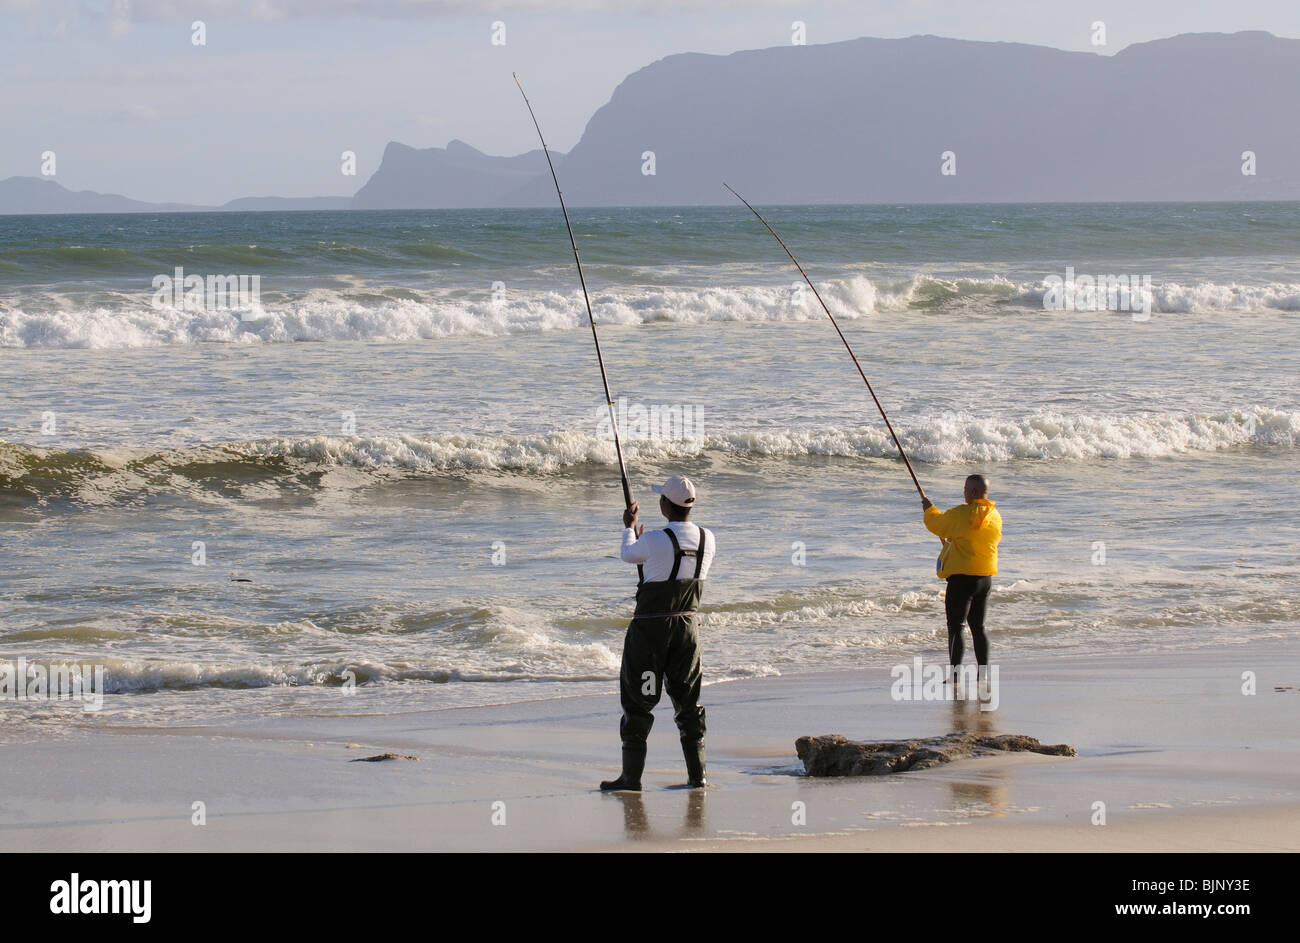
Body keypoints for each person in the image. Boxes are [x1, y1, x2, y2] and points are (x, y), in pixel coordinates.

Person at [600, 474, 715, 792]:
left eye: (661, 498)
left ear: (666, 504)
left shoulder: (653, 539)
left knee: (640, 699)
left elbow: (628, 554)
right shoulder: (708, 540)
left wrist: (628, 526)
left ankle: (631, 779)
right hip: (686, 633)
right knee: (687, 701)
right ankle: (698, 776)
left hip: (651, 636)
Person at [919, 474, 1002, 682]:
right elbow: (968, 536)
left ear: (973, 492)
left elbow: (936, 524)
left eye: (966, 488)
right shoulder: (995, 516)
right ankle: (982, 673)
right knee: (978, 627)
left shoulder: (961, 514)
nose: (963, 491)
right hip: (984, 579)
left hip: (962, 580)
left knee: (956, 626)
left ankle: (955, 675)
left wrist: (929, 508)